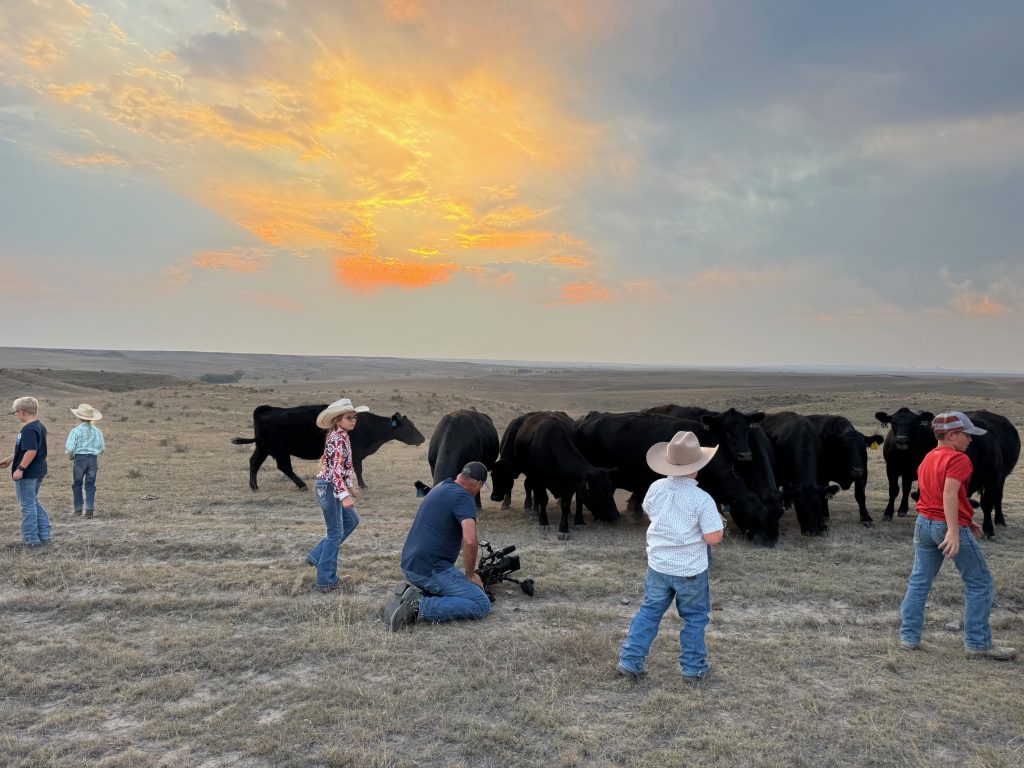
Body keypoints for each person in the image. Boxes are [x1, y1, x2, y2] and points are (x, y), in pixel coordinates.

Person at [898, 411, 1016, 661]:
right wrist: (954, 529)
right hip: (946, 526)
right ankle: (978, 643)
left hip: (923, 524)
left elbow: (936, 492)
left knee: (919, 582)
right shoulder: (959, 460)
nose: (971, 440)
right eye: (967, 434)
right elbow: (949, 495)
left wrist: (967, 519)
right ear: (951, 435)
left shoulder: (928, 457)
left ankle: (908, 638)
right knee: (980, 582)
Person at [617, 431, 724, 683]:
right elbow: (713, 538)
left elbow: (648, 512)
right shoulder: (702, 499)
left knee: (650, 611)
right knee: (695, 618)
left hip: (658, 565)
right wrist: (719, 524)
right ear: (697, 467)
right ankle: (693, 669)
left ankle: (630, 661)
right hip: (690, 570)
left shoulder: (655, 487)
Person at [382, 461, 492, 631]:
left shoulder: (441, 486)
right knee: (481, 603)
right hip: (429, 569)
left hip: (409, 566)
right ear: (477, 484)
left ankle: (408, 596)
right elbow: (470, 540)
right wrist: (470, 575)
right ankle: (417, 607)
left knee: (459, 591)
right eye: (480, 487)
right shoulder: (464, 497)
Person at [307, 397, 369, 593]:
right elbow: (334, 471)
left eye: (355, 418)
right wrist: (344, 495)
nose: (353, 421)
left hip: (333, 486)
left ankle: (318, 556)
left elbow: (343, 468)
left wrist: (349, 485)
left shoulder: (343, 437)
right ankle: (326, 581)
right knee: (335, 533)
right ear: (337, 420)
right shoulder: (336, 439)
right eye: (349, 417)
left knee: (351, 522)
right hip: (329, 487)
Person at [2, 397, 51, 548]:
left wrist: (20, 469)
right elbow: (25, 449)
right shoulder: (38, 426)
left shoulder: (28, 429)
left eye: (15, 412)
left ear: (22, 412)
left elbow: (31, 451)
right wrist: (11, 459)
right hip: (38, 470)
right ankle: (45, 535)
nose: (15, 415)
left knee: (27, 505)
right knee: (32, 501)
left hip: (28, 473)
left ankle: (31, 540)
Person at [65, 403, 106, 518]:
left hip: (79, 459)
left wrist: (70, 456)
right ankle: (89, 509)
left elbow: (70, 448)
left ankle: (78, 509)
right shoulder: (98, 431)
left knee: (77, 483)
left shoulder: (75, 431)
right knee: (90, 484)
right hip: (93, 459)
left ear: (78, 417)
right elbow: (102, 448)